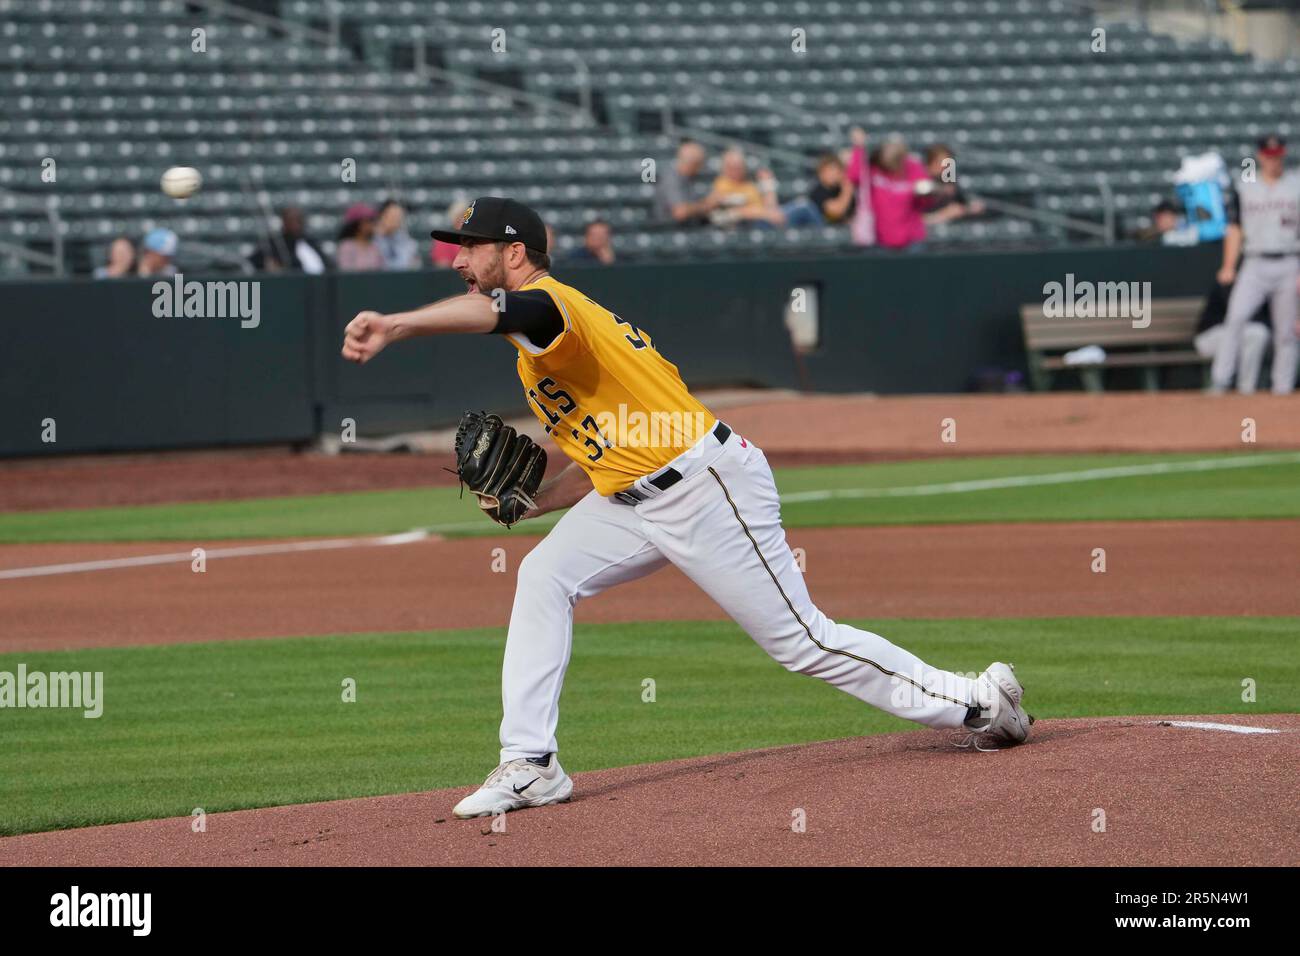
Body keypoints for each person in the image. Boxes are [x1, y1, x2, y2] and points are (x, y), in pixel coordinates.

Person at [340, 195, 1031, 819]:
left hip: (706, 484)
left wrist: (397, 326)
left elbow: (497, 312)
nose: (457, 260)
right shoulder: (544, 352)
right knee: (543, 576)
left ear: (513, 254)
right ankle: (532, 765)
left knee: (802, 641)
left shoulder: (551, 308)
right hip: (634, 495)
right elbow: (603, 450)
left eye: (470, 247)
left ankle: (975, 700)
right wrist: (538, 500)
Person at [1211, 134, 1300, 395]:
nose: (1274, 160)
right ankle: (1221, 381)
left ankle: (1281, 389)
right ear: (1260, 156)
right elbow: (1235, 228)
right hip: (1255, 261)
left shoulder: (1296, 185)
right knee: (1236, 318)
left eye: (1278, 155)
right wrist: (1228, 265)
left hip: (1290, 260)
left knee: (1286, 332)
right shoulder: (1245, 186)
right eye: (1269, 156)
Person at [847, 131, 930, 249]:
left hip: (911, 240)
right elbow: (854, 176)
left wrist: (925, 192)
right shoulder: (875, 169)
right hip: (880, 240)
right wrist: (859, 148)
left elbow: (925, 201)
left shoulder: (913, 167)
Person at [1195, 280, 1272, 393]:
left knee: (1258, 333)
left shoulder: (1262, 290)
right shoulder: (1225, 286)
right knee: (1230, 334)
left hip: (1242, 339)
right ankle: (1219, 383)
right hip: (1209, 337)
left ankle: (1246, 387)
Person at [709, 148, 784, 227]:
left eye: (739, 167)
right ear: (724, 168)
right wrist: (765, 213)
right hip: (749, 225)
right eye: (731, 167)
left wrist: (768, 186)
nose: (736, 171)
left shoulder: (749, 185)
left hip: (767, 219)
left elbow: (772, 209)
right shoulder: (721, 183)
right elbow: (727, 213)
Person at [653, 140, 719, 225]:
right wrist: (707, 205)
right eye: (699, 164)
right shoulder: (671, 179)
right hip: (671, 230)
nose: (701, 169)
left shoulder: (688, 178)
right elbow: (680, 212)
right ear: (694, 164)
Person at [249, 206, 330, 273]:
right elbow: (254, 262)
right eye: (292, 220)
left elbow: (327, 264)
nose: (296, 224)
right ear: (284, 222)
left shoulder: (310, 241)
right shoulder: (276, 243)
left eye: (299, 220)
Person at [781, 154, 855, 227]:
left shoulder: (839, 188)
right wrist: (847, 189)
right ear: (821, 172)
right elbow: (836, 211)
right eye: (830, 170)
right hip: (820, 227)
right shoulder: (818, 189)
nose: (834, 174)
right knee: (804, 207)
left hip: (838, 229)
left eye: (836, 170)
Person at [921, 144, 985, 225]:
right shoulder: (918, 185)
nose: (945, 167)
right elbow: (913, 219)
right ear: (929, 163)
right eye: (940, 162)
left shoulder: (950, 182)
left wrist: (969, 209)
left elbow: (963, 204)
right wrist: (942, 215)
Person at [336, 203, 384, 271]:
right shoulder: (346, 246)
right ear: (358, 225)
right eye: (368, 221)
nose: (372, 224)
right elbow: (346, 274)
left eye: (372, 221)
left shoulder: (375, 246)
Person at [374, 199, 419, 270]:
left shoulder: (405, 238)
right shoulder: (371, 238)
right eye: (393, 216)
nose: (397, 220)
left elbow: (412, 263)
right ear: (382, 215)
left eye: (399, 216)